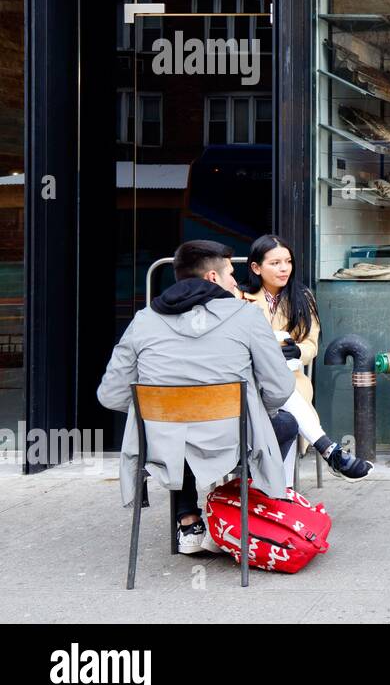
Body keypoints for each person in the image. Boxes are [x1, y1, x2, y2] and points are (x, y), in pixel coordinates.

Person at [97, 240, 300, 555]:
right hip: (231, 438)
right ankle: (231, 516)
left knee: (181, 431)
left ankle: (188, 521)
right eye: (231, 273)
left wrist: (158, 413)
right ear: (213, 279)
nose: (236, 281)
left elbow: (110, 394)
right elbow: (280, 387)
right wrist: (258, 411)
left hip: (162, 443)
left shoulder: (143, 320)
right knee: (285, 423)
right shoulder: (246, 317)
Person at [242, 234, 371, 480]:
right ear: (256, 268)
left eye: (287, 261)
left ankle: (286, 490)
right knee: (284, 409)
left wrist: (298, 351)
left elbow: (311, 344)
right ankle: (325, 451)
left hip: (291, 377)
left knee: (286, 403)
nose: (283, 268)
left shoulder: (302, 297)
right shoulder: (240, 298)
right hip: (251, 380)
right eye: (275, 263)